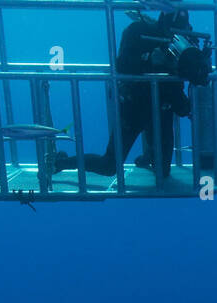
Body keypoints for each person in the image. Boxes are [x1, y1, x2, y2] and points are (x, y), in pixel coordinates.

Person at [57, 10, 194, 181]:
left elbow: (190, 75)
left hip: (163, 106)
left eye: (180, 30)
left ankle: (150, 156)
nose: (175, 35)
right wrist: (149, 59)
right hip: (133, 106)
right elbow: (121, 65)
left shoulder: (186, 40)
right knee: (109, 166)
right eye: (173, 29)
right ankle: (61, 163)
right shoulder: (137, 31)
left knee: (163, 172)